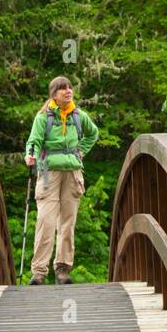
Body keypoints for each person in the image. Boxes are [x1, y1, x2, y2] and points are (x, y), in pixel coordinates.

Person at [24, 77, 99, 285]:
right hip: (48, 169)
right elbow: (34, 141)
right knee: (45, 221)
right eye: (63, 88)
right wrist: (30, 155)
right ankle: (39, 272)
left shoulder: (78, 115)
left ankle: (63, 269)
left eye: (70, 87)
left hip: (73, 171)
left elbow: (94, 134)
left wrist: (80, 151)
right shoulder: (43, 117)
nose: (68, 91)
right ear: (54, 94)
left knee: (68, 223)